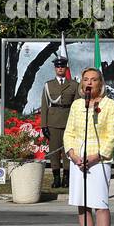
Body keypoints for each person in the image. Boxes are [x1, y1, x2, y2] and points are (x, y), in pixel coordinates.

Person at [63, 66, 114, 226]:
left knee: (100, 205)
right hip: (78, 159)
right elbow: (69, 132)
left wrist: (96, 156)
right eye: (86, 79)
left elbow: (112, 136)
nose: (89, 83)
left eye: (93, 79)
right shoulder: (78, 105)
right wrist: (73, 154)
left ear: (100, 83)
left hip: (99, 160)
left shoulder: (110, 105)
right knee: (82, 205)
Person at [40, 54, 78, 188]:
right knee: (55, 151)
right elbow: (44, 106)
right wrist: (44, 125)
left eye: (62, 66)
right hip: (53, 123)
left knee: (68, 151)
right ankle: (56, 178)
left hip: (69, 121)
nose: (60, 68)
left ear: (66, 68)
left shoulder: (74, 85)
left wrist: (77, 124)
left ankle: (66, 178)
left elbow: (77, 106)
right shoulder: (48, 85)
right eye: (58, 66)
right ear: (55, 68)